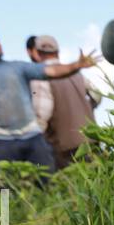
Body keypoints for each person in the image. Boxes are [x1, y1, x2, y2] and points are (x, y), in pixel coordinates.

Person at [0, 24, 97, 172]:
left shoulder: (18, 67)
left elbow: (52, 70)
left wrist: (76, 65)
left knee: (46, 180)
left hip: (33, 137)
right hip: (0, 141)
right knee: (6, 187)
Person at [26, 34, 101, 169]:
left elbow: (41, 115)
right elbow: (97, 95)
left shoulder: (41, 78)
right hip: (92, 140)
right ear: (58, 53)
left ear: (37, 53)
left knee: (74, 188)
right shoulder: (77, 73)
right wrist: (86, 108)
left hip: (66, 150)